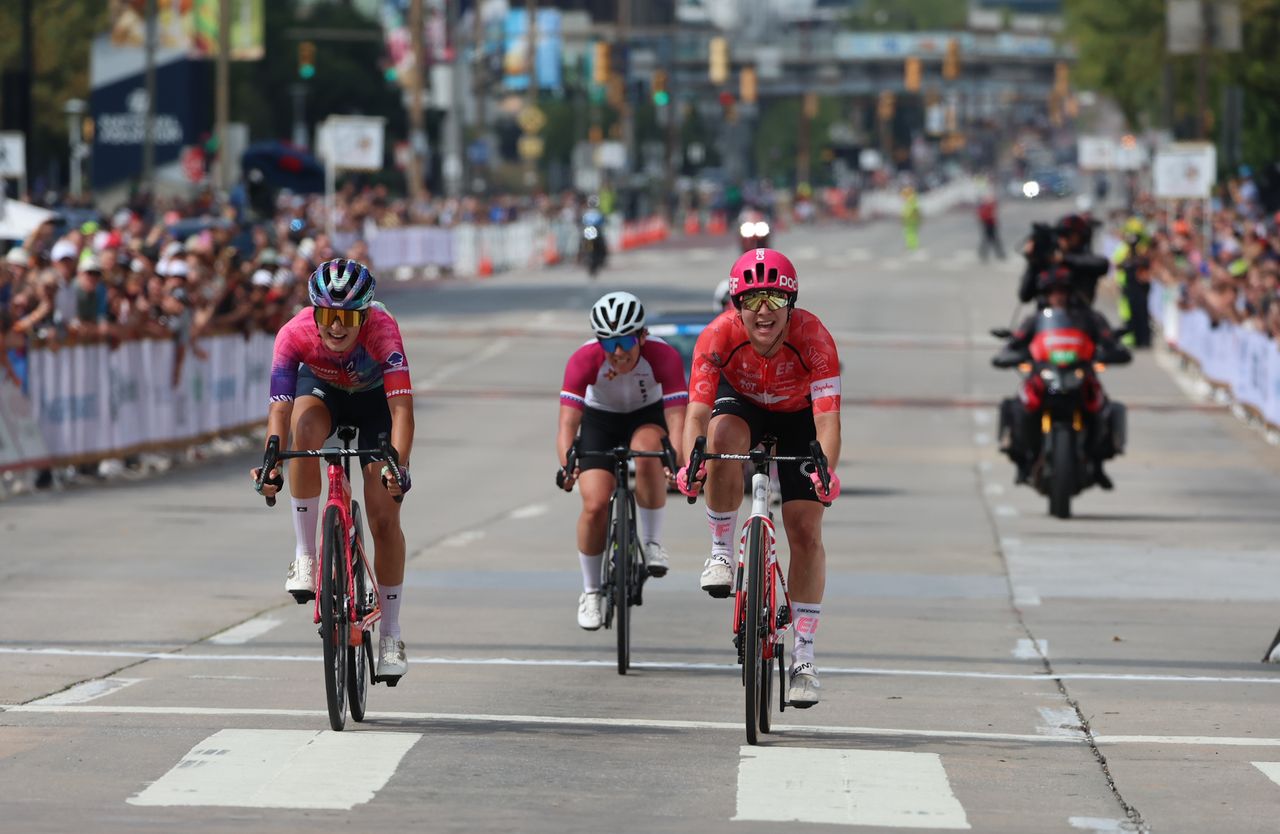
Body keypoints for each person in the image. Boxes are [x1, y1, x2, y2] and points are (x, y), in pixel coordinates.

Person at [678, 248, 842, 708]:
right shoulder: (718, 336)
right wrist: (691, 465)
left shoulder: (814, 338)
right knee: (719, 435)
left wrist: (826, 472)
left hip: (798, 417)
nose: (763, 310)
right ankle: (720, 551)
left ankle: (804, 658)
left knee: (805, 530)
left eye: (775, 298)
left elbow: (827, 420)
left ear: (791, 303)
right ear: (737, 305)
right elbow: (695, 414)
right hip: (743, 404)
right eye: (752, 299)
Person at [250, 258, 415, 683]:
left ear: (365, 315)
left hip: (375, 401)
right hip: (322, 391)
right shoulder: (294, 333)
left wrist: (398, 467)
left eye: (348, 318)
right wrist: (271, 462)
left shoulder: (383, 331)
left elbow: (401, 411)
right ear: (314, 313)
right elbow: (279, 412)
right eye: (327, 316)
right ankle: (305, 555)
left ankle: (391, 635)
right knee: (302, 430)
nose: (337, 327)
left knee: (384, 518)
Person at [557, 291, 688, 630]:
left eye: (626, 341)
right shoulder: (584, 359)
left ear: (642, 336)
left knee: (647, 453)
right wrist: (568, 466)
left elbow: (677, 419)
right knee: (595, 504)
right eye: (609, 343)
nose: (617, 352)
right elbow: (568, 425)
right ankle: (591, 591)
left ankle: (653, 543)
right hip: (600, 420)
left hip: (646, 416)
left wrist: (677, 462)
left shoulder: (663, 355)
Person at [994, 265, 1130, 488]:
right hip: (1045, 376)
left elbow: (1108, 339)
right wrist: (1009, 353)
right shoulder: (1036, 319)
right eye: (1053, 292)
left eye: (1062, 291)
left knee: (1102, 408)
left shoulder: (1088, 318)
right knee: (1019, 406)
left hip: (1079, 375)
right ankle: (1023, 460)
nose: (1058, 296)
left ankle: (1097, 464)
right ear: (1046, 295)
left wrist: (1113, 349)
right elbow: (1016, 341)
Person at [1018, 214, 1109, 306]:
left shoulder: (1082, 260)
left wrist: (1063, 259)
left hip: (1078, 313)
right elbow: (1024, 296)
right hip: (1047, 313)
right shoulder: (1047, 261)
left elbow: (1102, 264)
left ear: (1079, 236)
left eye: (1067, 234)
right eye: (1060, 234)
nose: (1063, 239)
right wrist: (1033, 262)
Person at [977, 193, 1005, 262]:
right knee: (991, 240)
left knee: (991, 240)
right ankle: (998, 254)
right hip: (988, 224)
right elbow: (985, 216)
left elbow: (995, 205)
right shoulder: (985, 206)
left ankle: (984, 253)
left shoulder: (988, 205)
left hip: (990, 224)